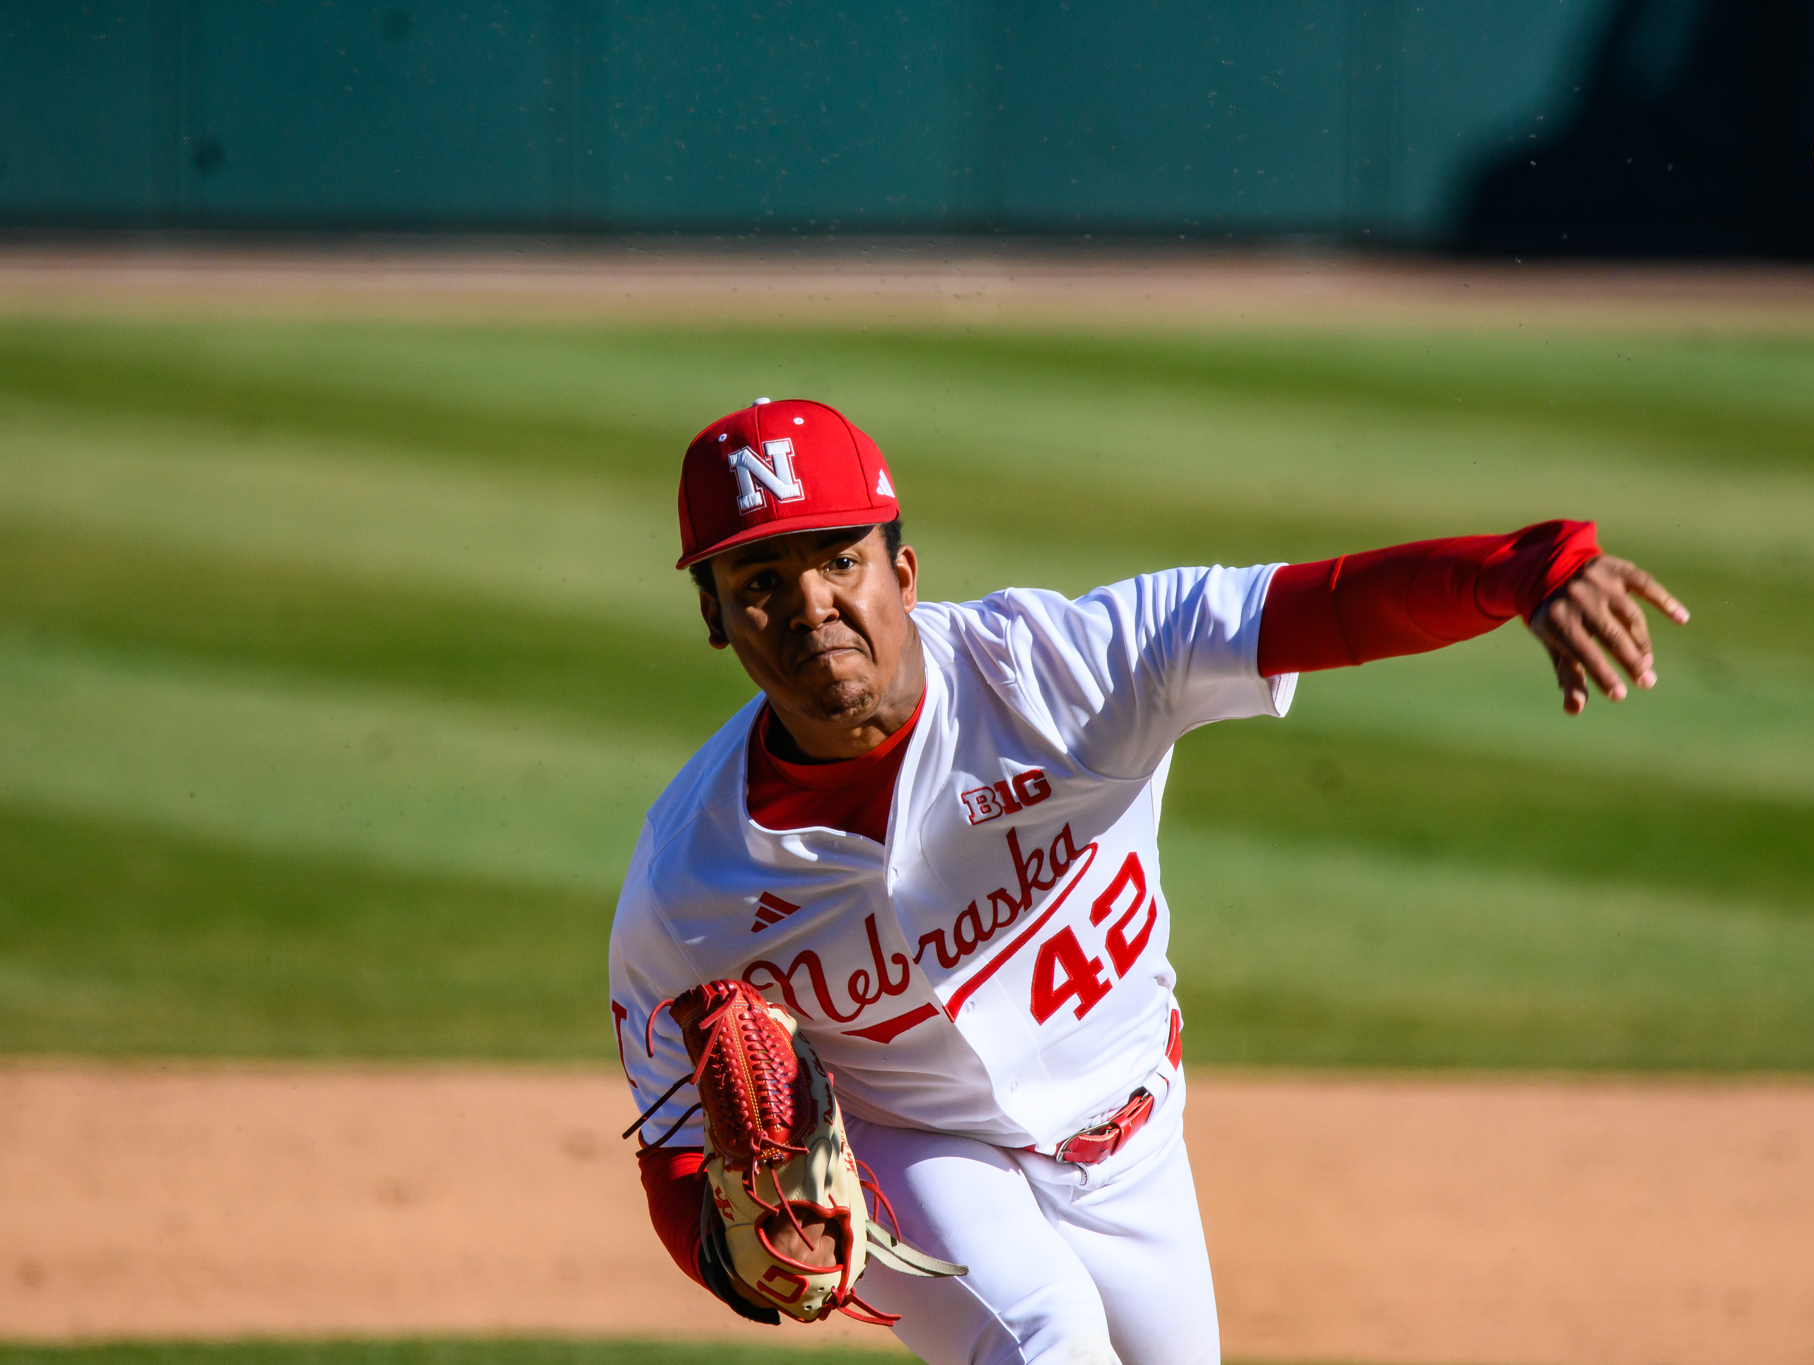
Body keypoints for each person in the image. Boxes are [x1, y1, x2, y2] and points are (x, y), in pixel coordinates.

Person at [609, 397, 1686, 1365]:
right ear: (714, 618)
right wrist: (728, 1258)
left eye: (838, 559)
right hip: (914, 1151)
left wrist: (1519, 570)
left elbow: (1329, 608)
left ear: (902, 569)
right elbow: (672, 1142)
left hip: (1130, 1133)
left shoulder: (1069, 673)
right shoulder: (688, 882)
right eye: (758, 583)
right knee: (1049, 1341)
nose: (808, 606)